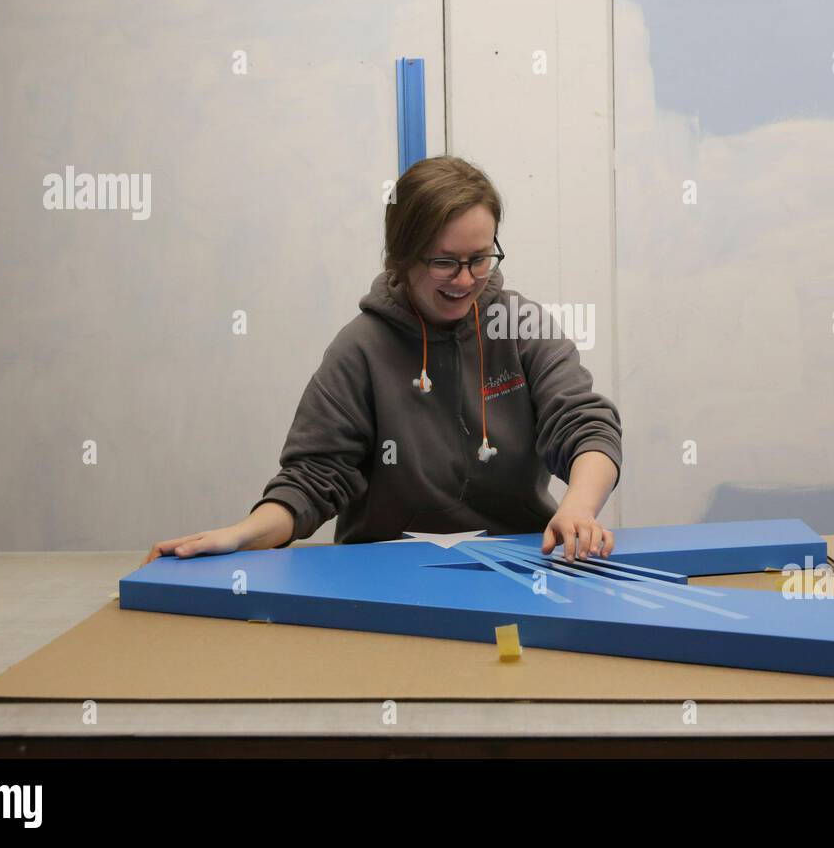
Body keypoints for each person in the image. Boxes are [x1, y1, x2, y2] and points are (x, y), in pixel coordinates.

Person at [143, 155, 622, 567]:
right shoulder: (360, 349)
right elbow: (313, 481)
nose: (465, 279)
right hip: (383, 575)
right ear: (402, 255)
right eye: (443, 261)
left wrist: (578, 507)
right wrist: (240, 535)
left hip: (518, 563)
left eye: (480, 258)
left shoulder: (520, 326)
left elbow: (585, 426)